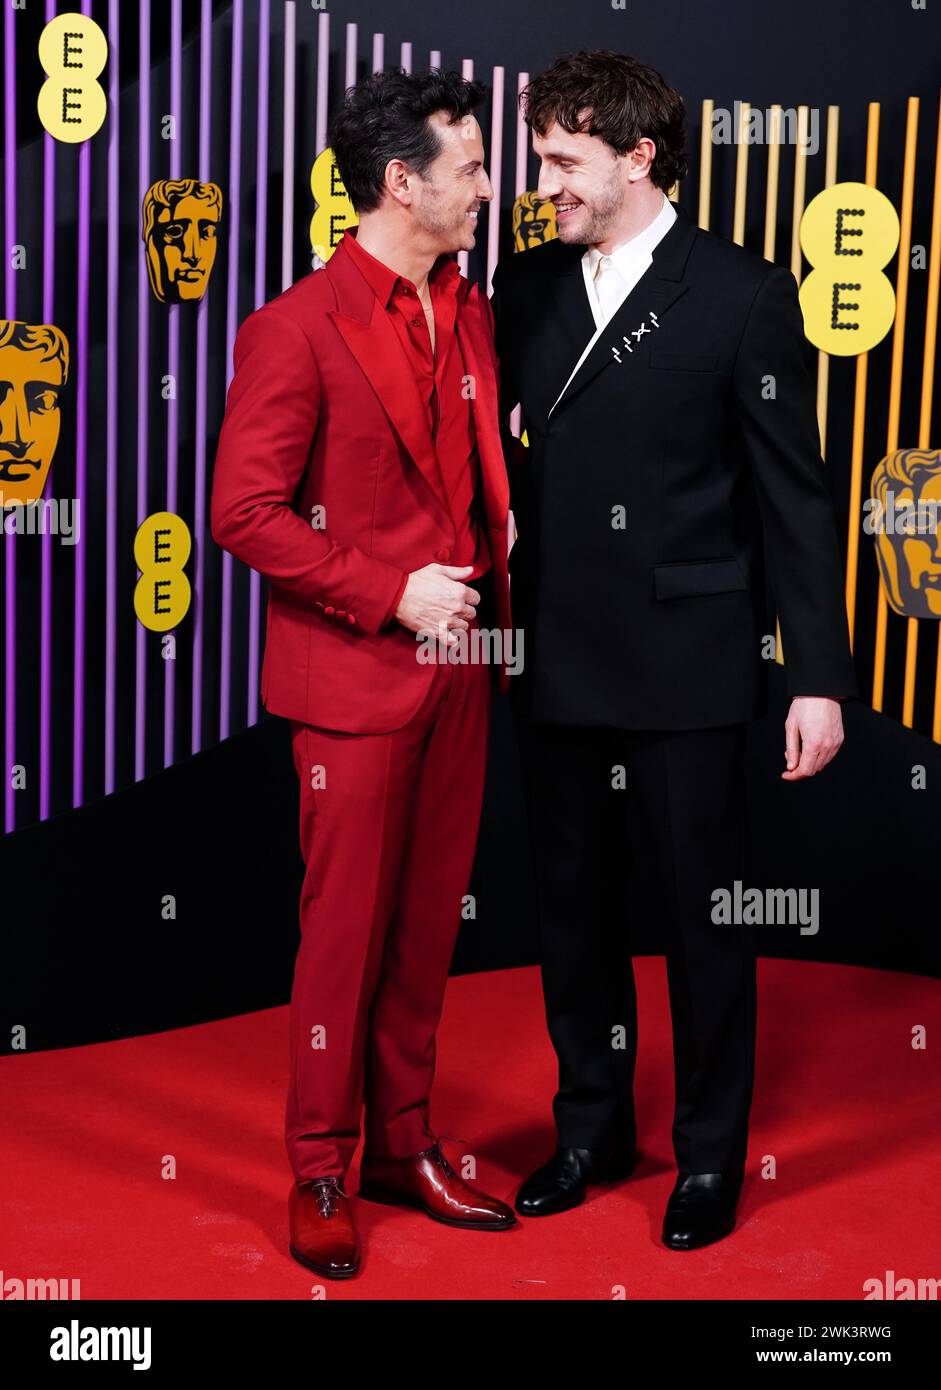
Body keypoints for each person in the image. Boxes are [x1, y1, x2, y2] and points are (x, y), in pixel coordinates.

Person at [490, 49, 859, 1250]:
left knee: (702, 924)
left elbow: (796, 501)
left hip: (689, 663)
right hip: (551, 656)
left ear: (639, 158)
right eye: (540, 156)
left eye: (563, 161)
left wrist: (813, 675)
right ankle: (589, 1129)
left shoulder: (739, 291)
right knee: (571, 916)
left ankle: (706, 1158)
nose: (541, 182)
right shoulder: (523, 284)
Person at [211, 67, 516, 1280]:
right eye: (474, 167)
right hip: (354, 677)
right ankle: (321, 1168)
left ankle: (402, 1142)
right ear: (403, 182)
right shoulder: (292, 327)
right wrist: (388, 591)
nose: (490, 188)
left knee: (426, 928)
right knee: (342, 936)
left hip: (464, 673)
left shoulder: (470, 306)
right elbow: (241, 510)